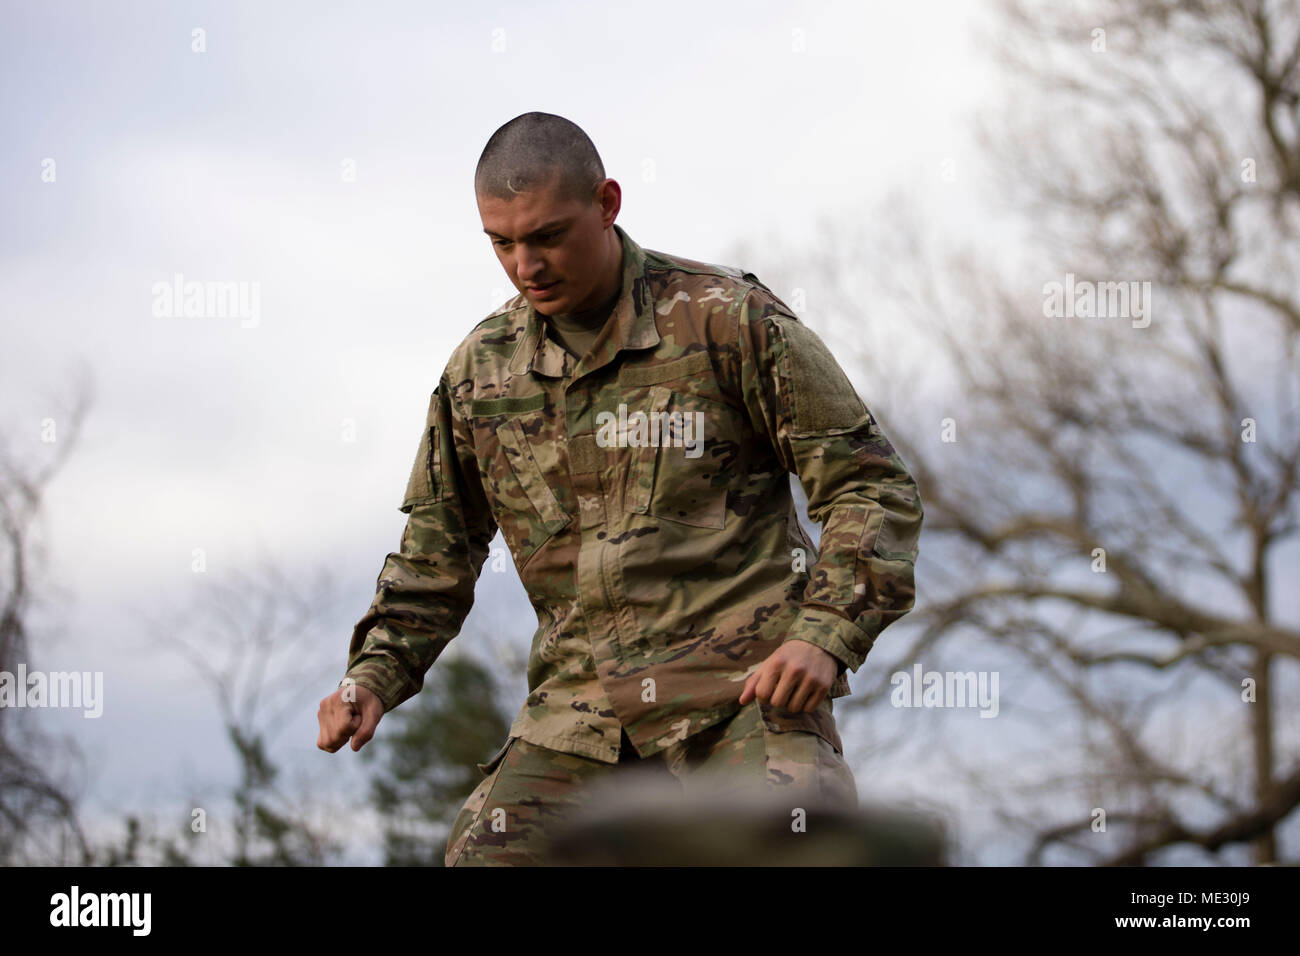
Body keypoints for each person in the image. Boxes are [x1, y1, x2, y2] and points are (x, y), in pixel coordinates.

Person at [316, 111, 924, 866]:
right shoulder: (478, 373)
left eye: (546, 235)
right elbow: (434, 556)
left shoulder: (727, 322)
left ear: (607, 203)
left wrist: (825, 634)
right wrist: (372, 677)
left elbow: (871, 488)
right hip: (576, 718)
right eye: (501, 243)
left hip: (740, 699)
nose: (524, 264)